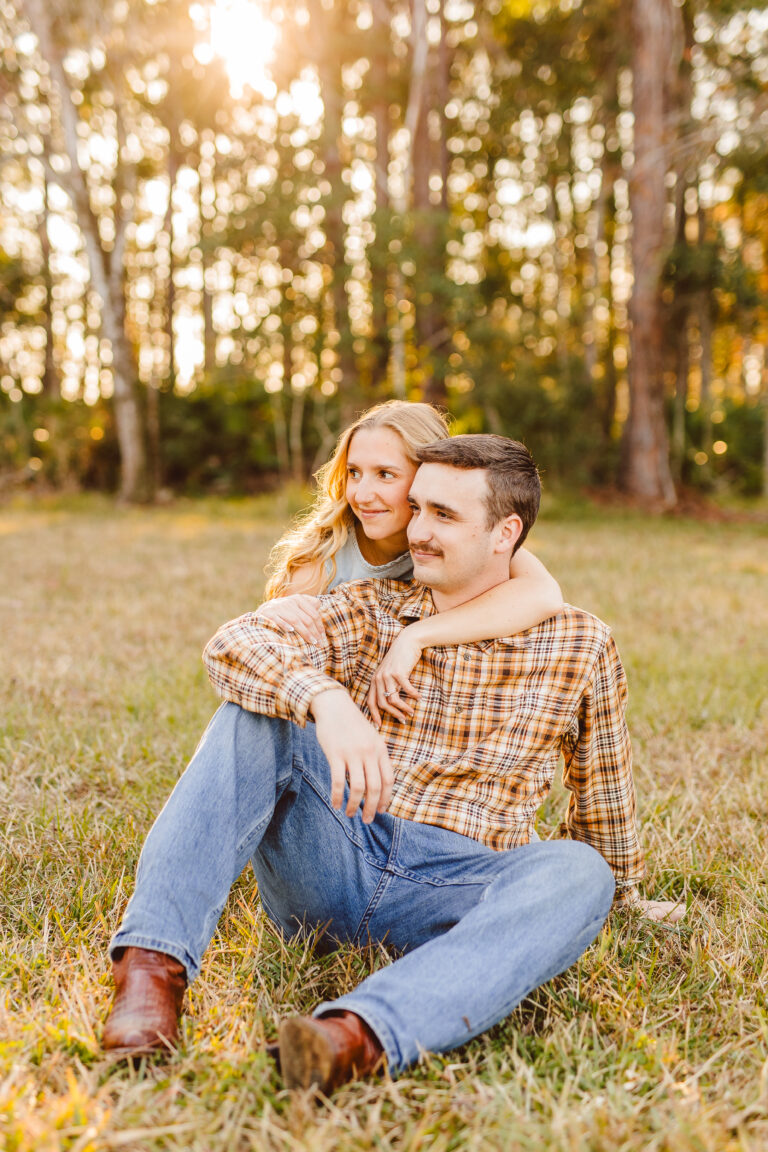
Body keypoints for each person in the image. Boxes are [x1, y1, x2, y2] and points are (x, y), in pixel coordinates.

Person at [101, 434, 673, 1092]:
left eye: (445, 516)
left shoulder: (580, 642)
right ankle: (149, 979)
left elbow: (601, 789)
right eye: (419, 508)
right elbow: (233, 645)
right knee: (254, 715)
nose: (418, 531)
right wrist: (327, 702)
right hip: (339, 856)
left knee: (580, 870)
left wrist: (618, 896)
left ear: (505, 533)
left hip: (459, 887)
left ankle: (350, 1038)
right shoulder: (371, 609)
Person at [257, 401, 564, 721]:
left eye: (385, 474)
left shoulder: (459, 544)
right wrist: (272, 611)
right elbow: (272, 656)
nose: (361, 494)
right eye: (354, 473)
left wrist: (415, 636)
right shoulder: (325, 559)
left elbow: (544, 594)